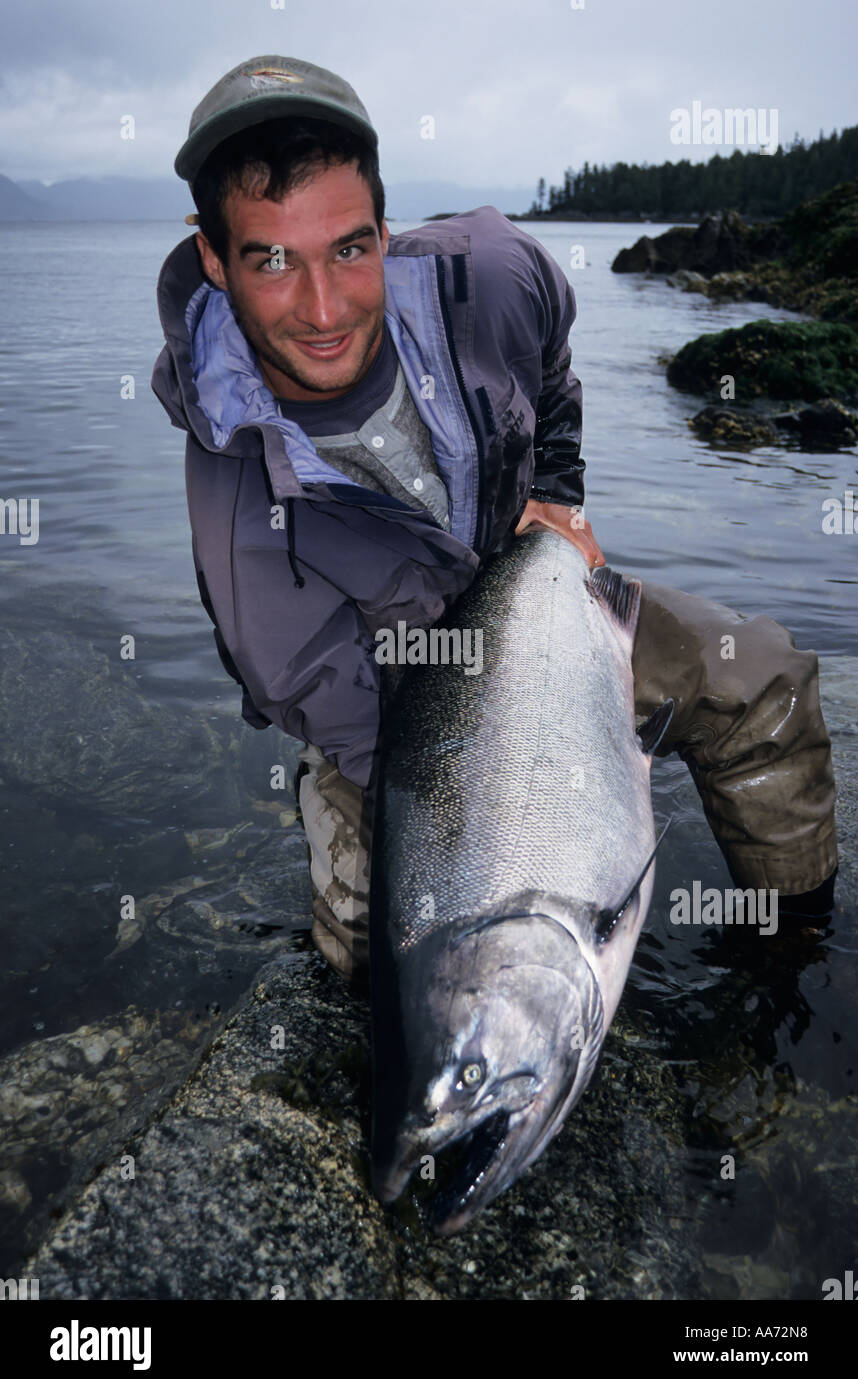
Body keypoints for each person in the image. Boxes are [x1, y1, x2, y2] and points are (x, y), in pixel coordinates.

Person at [152, 55, 838, 992]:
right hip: (395, 699)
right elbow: (354, 720)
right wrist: (512, 817)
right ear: (214, 258)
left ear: (384, 233)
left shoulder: (487, 274)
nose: (323, 309)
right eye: (272, 260)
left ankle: (790, 963)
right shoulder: (239, 522)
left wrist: (559, 491)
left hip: (538, 592)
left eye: (349, 250)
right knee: (395, 957)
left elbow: (552, 354)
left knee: (761, 684)